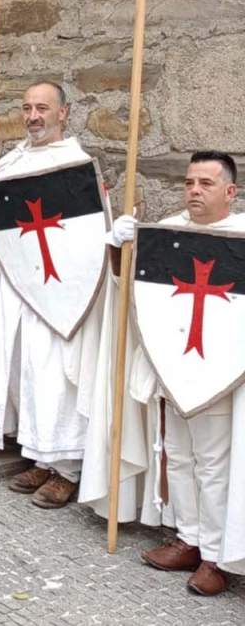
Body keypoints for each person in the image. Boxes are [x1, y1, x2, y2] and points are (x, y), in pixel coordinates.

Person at [0, 81, 104, 509]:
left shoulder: (76, 164)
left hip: (60, 292)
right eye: (27, 108)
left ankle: (67, 469)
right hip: (17, 284)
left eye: (43, 108)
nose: (33, 116)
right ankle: (39, 457)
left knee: (56, 376)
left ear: (63, 113)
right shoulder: (10, 162)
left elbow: (89, 236)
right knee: (25, 372)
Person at [109, 151, 245, 595]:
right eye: (189, 183)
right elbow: (131, 289)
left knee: (213, 466)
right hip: (173, 365)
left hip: (219, 372)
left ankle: (215, 557)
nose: (194, 191)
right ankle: (188, 538)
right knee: (178, 458)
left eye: (206, 183)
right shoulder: (167, 233)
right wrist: (120, 247)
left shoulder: (241, 238)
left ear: (230, 191)